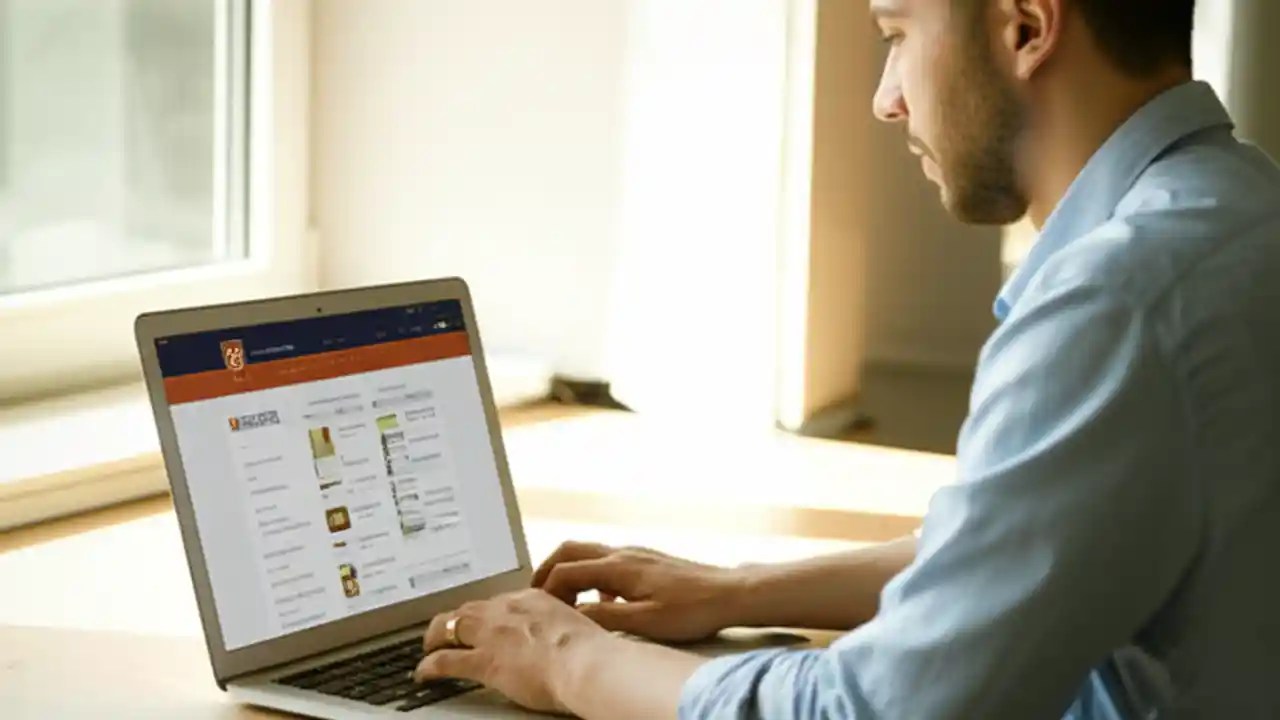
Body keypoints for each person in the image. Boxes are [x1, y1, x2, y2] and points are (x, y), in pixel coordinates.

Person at [413, 0, 1280, 716]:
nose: (886, 98)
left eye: (898, 35)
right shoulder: (1240, 211)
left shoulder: (1117, 299)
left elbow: (880, 709)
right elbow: (1035, 547)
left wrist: (570, 661)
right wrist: (741, 590)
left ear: (1025, 26)